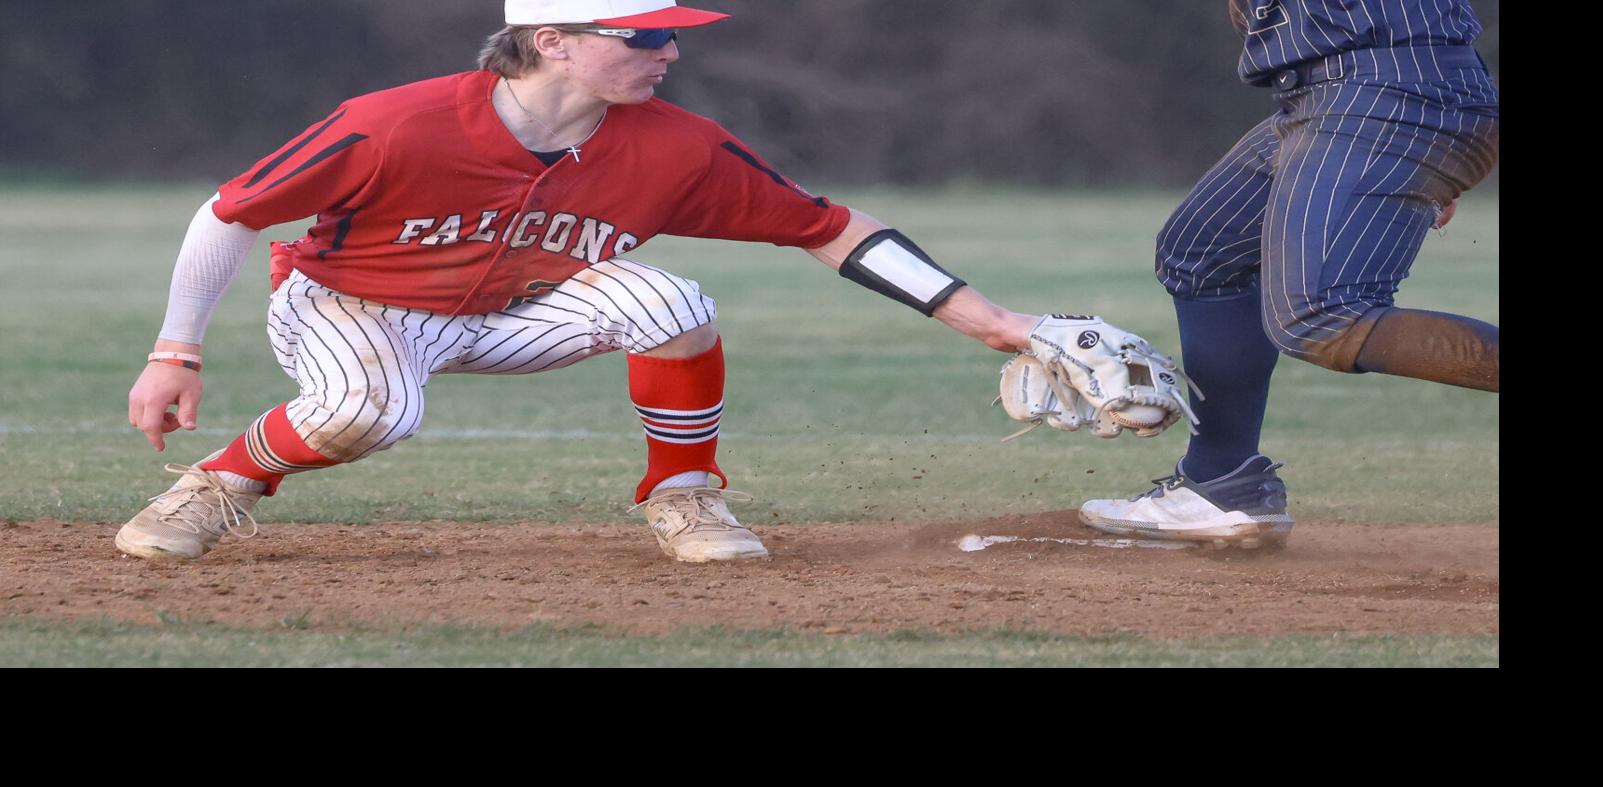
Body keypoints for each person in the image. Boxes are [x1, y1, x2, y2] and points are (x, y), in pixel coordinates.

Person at [118, 0, 1132, 564]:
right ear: (551, 41)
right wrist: (177, 348)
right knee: (370, 414)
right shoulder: (398, 122)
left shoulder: (677, 148)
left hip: (518, 312)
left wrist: (990, 319)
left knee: (670, 302)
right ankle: (218, 485)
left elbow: (826, 226)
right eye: (641, 35)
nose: (669, 51)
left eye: (671, 33)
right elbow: (229, 211)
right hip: (350, 304)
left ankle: (685, 499)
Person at [1077, 0, 1500, 548]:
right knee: (1201, 252)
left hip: (1384, 92)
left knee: (1317, 317)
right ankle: (1221, 487)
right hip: (1339, 95)